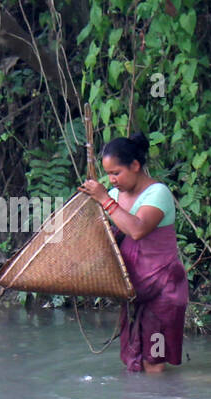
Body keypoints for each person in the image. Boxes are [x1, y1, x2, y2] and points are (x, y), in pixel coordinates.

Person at [78, 132, 188, 373]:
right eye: (108, 174)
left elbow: (137, 230)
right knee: (134, 359)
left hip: (163, 293)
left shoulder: (157, 193)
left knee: (154, 361)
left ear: (135, 166)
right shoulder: (115, 195)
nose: (112, 179)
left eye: (116, 173)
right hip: (134, 290)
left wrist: (104, 199)